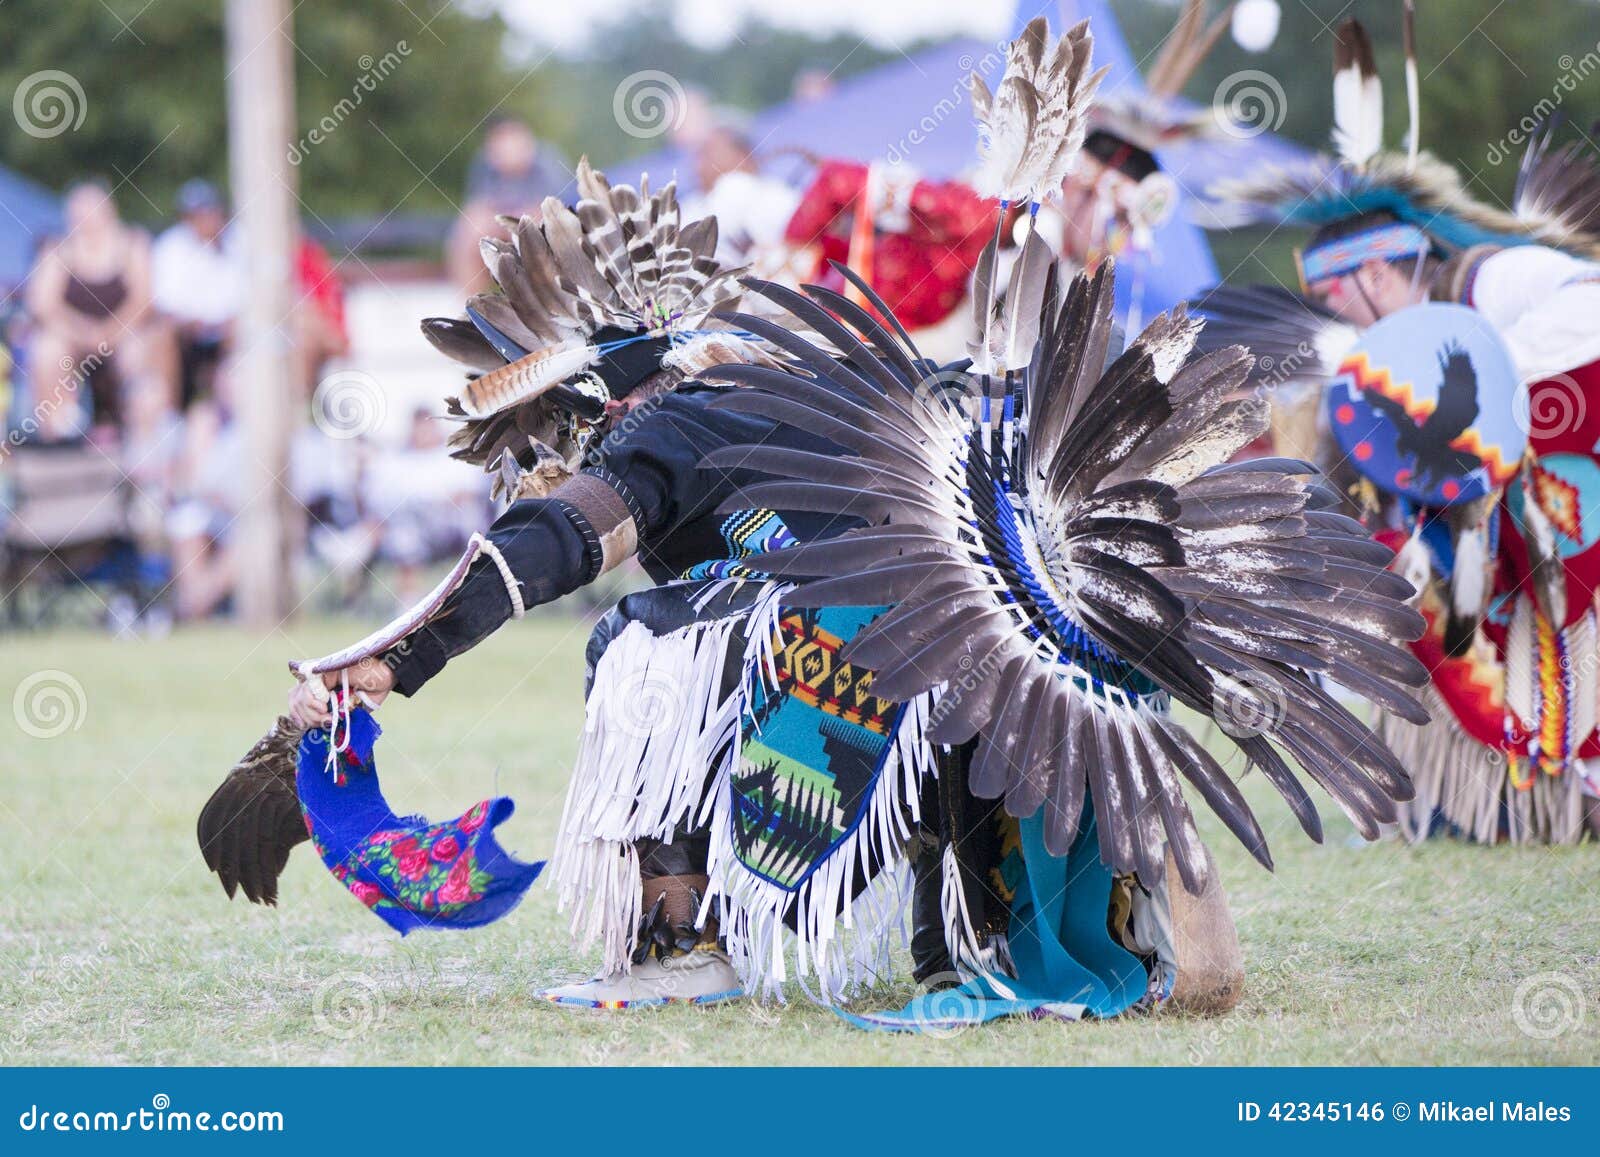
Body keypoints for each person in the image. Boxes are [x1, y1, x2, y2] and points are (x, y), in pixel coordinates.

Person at [1199, 17, 1600, 844]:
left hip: (1568, 511)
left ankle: (1558, 789)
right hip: (1499, 544)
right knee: (1400, 574)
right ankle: (1479, 799)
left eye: (1342, 295)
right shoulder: (1390, 368)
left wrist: (1492, 371)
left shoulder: (1498, 279)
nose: (1337, 315)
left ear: (1381, 271)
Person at [24, 180, 163, 441]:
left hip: (123, 332)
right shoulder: (58, 249)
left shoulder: (133, 244)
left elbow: (144, 300)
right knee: (47, 351)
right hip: (72, 337)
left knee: (138, 352)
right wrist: (82, 332)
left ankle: (141, 433)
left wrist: (110, 331)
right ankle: (57, 434)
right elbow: (43, 305)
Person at [445, 117, 569, 296]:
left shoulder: (548, 165)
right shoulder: (484, 167)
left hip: (535, 232)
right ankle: (472, 302)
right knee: (467, 236)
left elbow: (554, 210)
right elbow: (476, 209)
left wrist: (511, 220)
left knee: (532, 230)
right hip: (499, 227)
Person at [151, 180, 241, 409]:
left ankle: (236, 411)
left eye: (210, 212)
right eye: (197, 214)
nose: (206, 220)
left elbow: (249, 300)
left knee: (249, 332)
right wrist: (194, 325)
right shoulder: (170, 247)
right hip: (187, 332)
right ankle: (167, 414)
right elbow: (165, 308)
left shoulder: (240, 243)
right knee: (162, 335)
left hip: (230, 329)